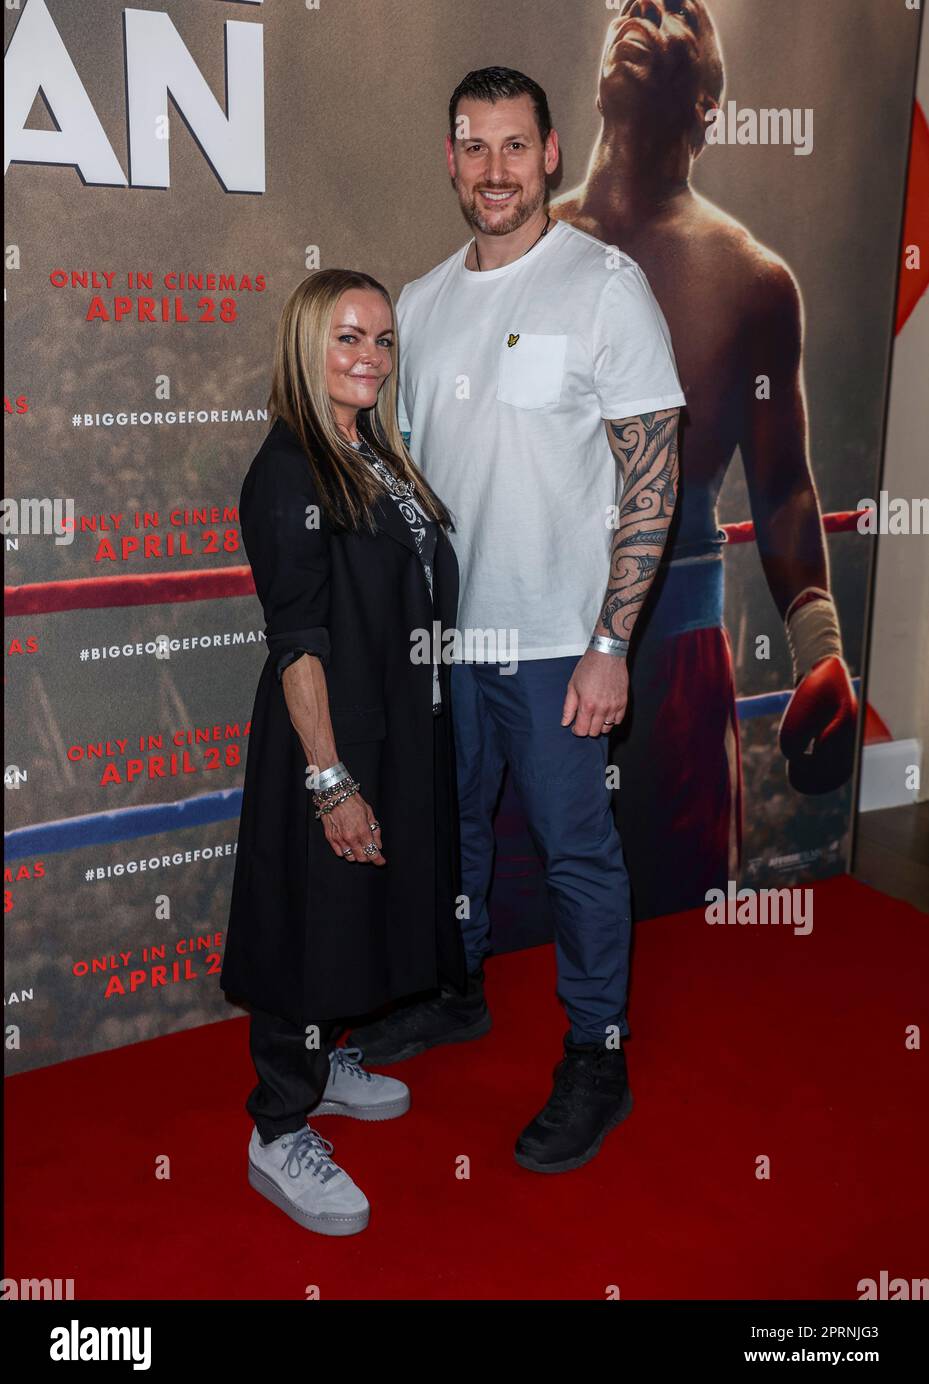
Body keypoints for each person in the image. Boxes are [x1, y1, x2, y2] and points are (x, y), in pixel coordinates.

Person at [348, 68, 685, 1174]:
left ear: (549, 153)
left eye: (512, 146)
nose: (492, 169)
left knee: (575, 851)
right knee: (449, 833)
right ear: (449, 160)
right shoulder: (423, 300)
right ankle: (457, 991)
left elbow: (651, 476)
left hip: (555, 645)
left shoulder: (603, 286)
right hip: (449, 641)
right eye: (471, 147)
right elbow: (400, 476)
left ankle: (598, 1053)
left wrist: (607, 643)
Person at [550, 0, 858, 918]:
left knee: (683, 938)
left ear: (708, 105)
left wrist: (819, 648)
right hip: (526, 639)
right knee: (515, 930)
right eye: (630, 5)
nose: (641, 9)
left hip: (676, 655)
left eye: (676, 8)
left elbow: (782, 484)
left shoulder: (751, 279)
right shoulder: (517, 253)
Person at [221, 268, 466, 1234]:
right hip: (323, 738)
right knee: (308, 919)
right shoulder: (290, 470)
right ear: (306, 348)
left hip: (391, 726)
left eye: (383, 341)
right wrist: (329, 781)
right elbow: (300, 640)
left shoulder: (372, 452)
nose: (369, 357)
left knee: (355, 911)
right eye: (347, 339)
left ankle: (323, 1065)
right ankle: (277, 1128)